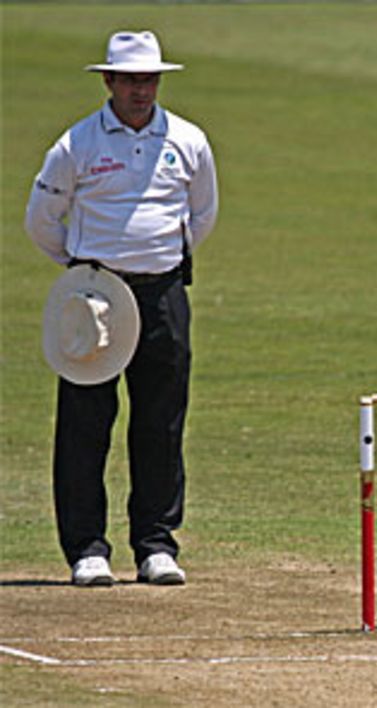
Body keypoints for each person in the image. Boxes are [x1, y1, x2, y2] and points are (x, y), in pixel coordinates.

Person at [25, 31, 218, 586]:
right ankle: (87, 548)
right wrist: (83, 269)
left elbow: (201, 215)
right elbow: (41, 221)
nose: (141, 90)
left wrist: (157, 259)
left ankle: (156, 545)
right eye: (131, 80)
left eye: (149, 79)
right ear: (108, 81)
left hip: (163, 294)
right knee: (85, 423)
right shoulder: (77, 144)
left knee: (162, 420)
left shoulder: (187, 140)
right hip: (94, 298)